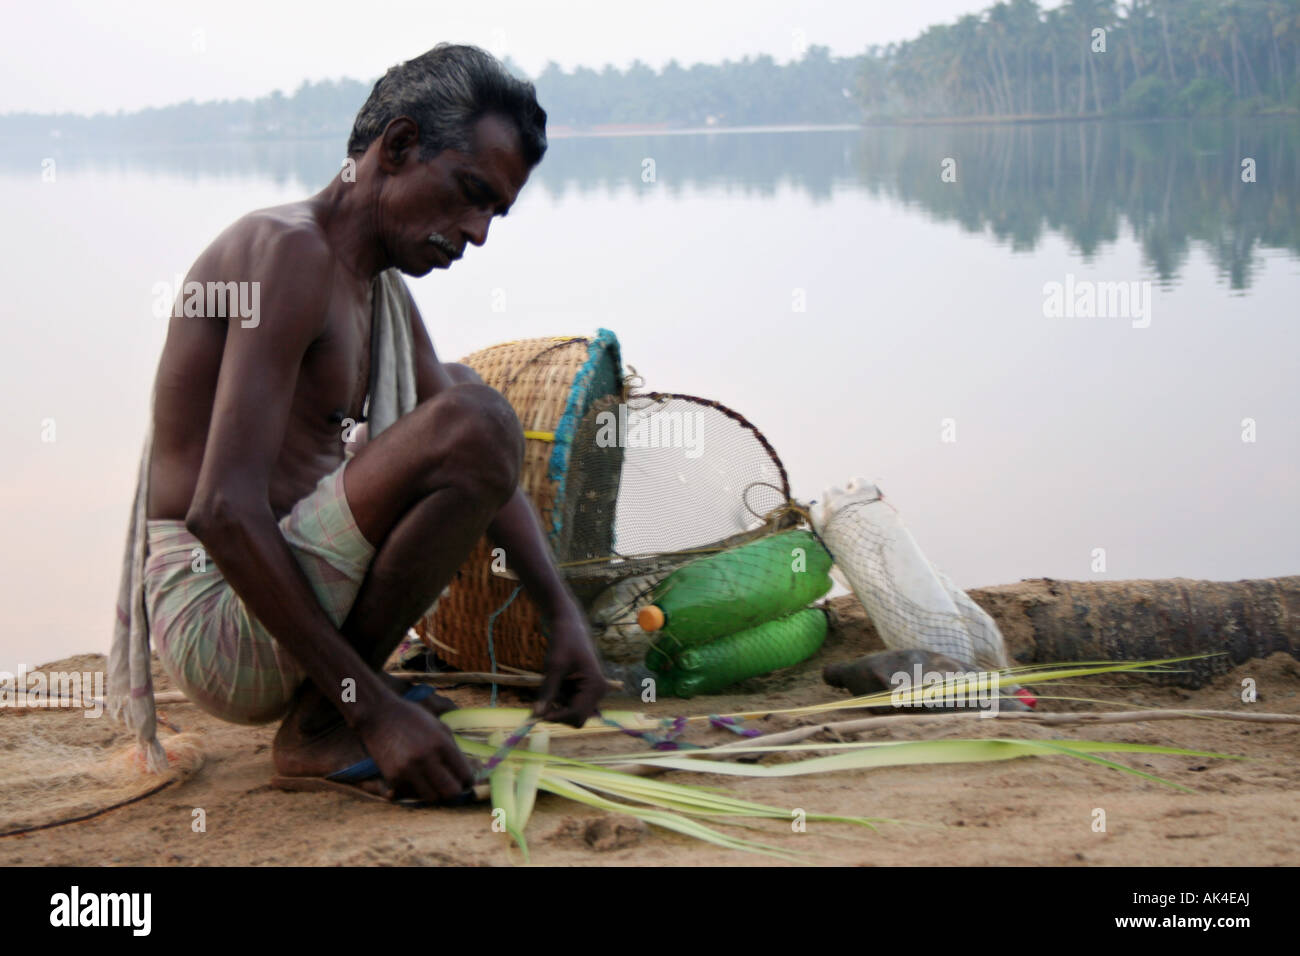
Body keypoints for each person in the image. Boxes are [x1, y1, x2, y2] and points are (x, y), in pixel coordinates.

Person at [140, 44, 605, 805]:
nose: (479, 232)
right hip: (219, 616)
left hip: (279, 598)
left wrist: (561, 614)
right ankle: (326, 722)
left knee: (458, 392)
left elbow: (468, 435)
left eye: (495, 211)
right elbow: (221, 511)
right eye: (469, 193)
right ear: (397, 147)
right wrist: (375, 710)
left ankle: (335, 702)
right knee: (472, 416)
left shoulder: (373, 282)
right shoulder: (288, 253)